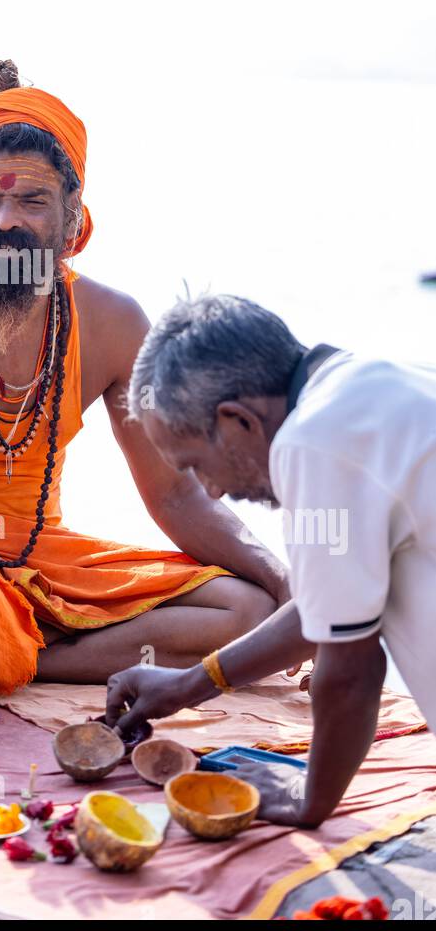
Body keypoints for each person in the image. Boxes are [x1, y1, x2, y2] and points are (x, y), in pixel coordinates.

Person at [0, 63, 285, 696]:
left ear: (73, 216)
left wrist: (281, 577)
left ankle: (26, 659)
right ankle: (8, 646)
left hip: (39, 563)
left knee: (245, 610)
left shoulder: (111, 321)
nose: (5, 222)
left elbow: (176, 494)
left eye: (32, 201)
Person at [106, 293, 436, 827]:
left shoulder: (313, 443)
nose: (211, 492)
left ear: (238, 421)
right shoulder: (363, 386)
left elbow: (351, 669)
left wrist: (310, 799)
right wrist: (191, 684)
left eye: (197, 465)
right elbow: (320, 610)